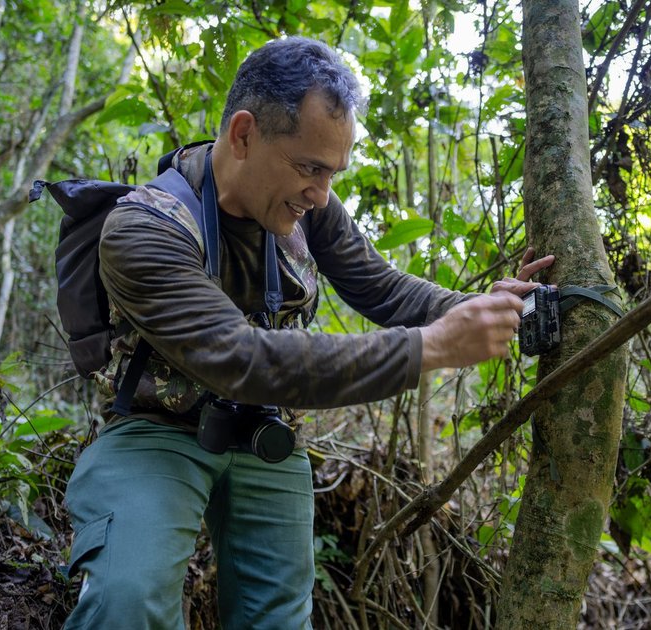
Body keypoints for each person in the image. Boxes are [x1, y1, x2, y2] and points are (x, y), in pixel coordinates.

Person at [62, 36, 553, 630]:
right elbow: (242, 359)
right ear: (244, 135)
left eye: (332, 174)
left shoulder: (308, 206)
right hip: (157, 431)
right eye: (310, 168)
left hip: (265, 434)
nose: (321, 195)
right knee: (126, 601)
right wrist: (432, 346)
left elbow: (380, 287)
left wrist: (483, 308)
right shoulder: (144, 228)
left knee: (278, 620)